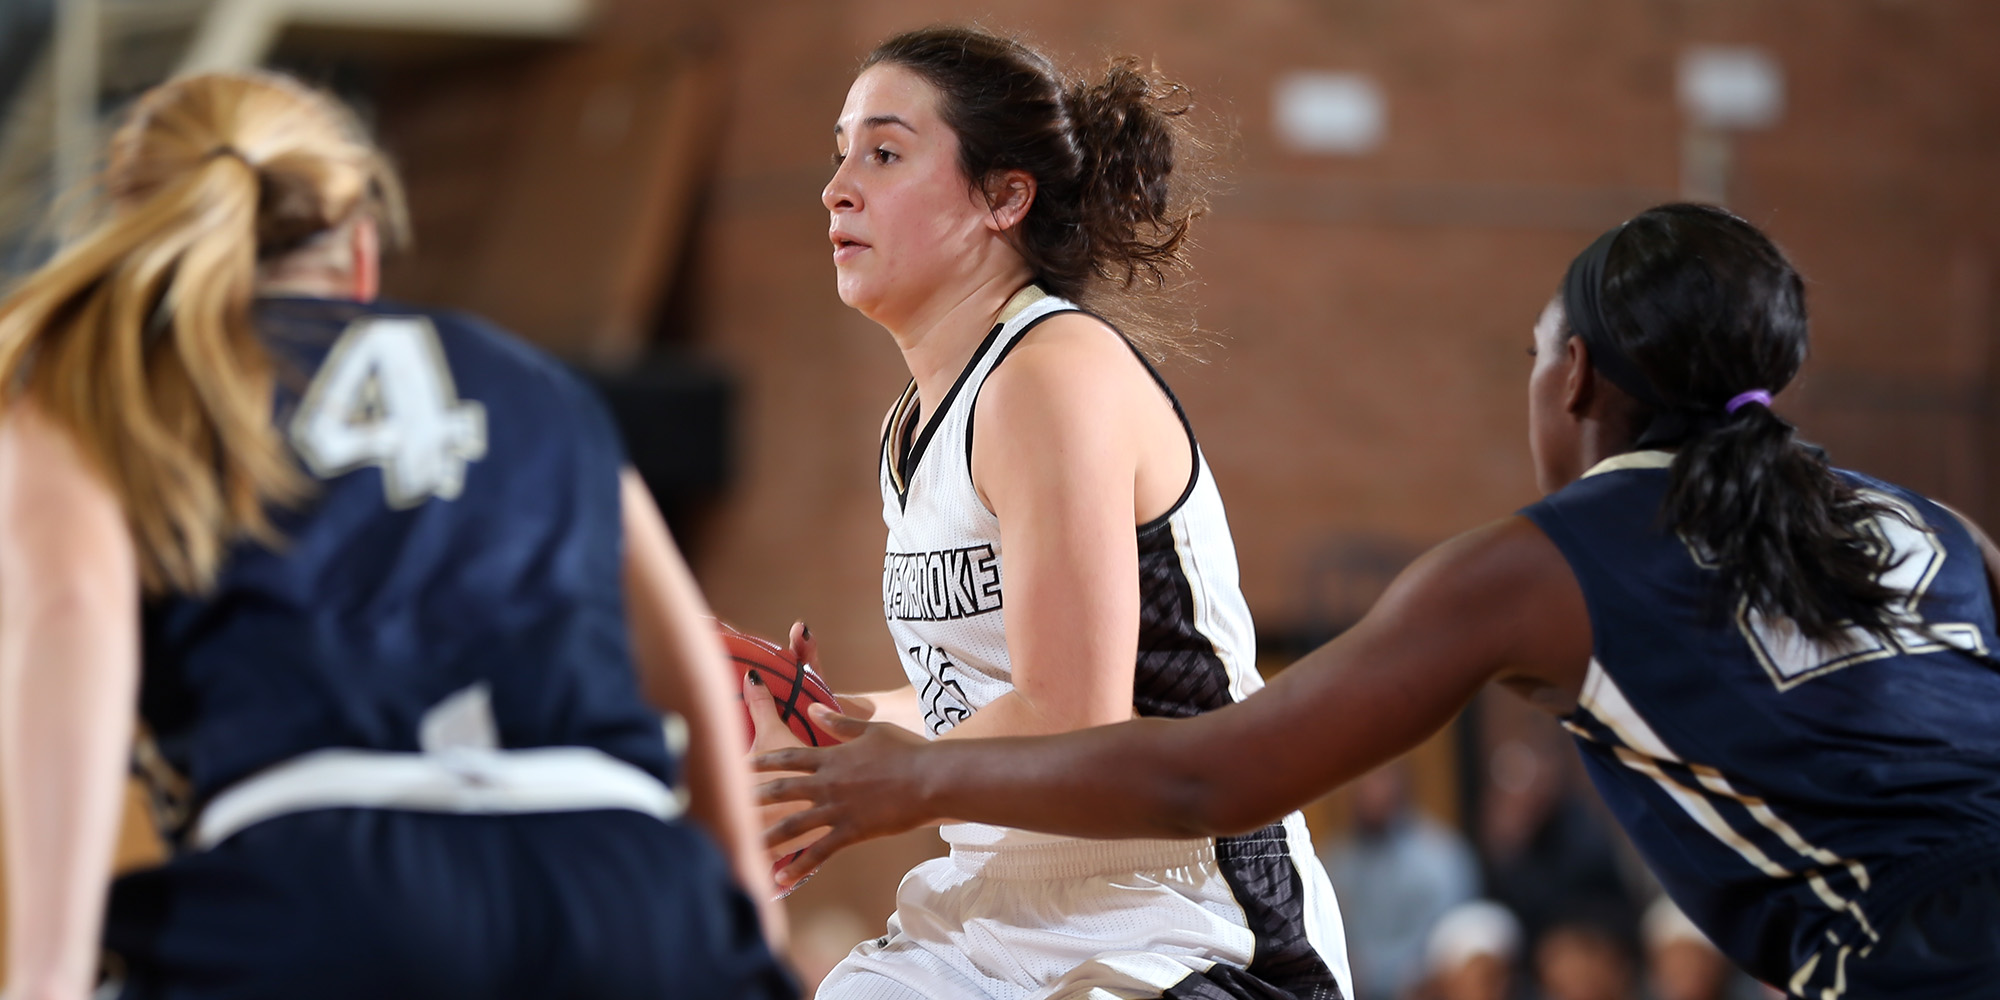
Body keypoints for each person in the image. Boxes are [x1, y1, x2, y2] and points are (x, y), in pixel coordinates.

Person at [758, 203, 2000, 999]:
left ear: (1570, 378)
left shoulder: (1539, 564)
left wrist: (913, 781)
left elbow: (1211, 776)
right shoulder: (1943, 531)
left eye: (1527, 352)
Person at [0, 71, 793, 1000]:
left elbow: (71, 615)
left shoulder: (112, 384)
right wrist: (745, 910)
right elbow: (687, 662)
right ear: (363, 252)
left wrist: (44, 973)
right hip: (628, 889)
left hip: (328, 888)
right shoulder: (537, 379)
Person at [749, 23, 1352, 1000]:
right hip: (992, 911)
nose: (836, 187)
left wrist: (890, 776)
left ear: (1002, 196)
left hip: (1181, 921)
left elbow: (1071, 715)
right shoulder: (913, 425)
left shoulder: (1050, 372)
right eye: (838, 152)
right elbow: (985, 694)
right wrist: (844, 721)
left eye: (884, 152)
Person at [1320, 761, 1477, 1000]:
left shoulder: (1441, 857)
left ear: (1402, 783)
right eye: (1360, 779)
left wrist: (1380, 973)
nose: (1368, 788)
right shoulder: (1334, 862)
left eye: (1379, 778)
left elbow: (1451, 943)